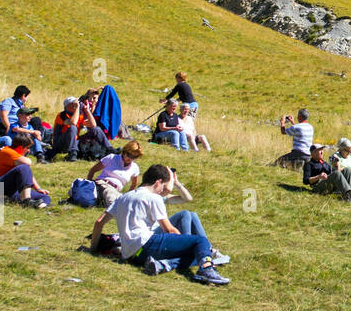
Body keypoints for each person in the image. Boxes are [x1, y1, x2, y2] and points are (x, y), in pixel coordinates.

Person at [89, 165, 230, 285]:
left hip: (132, 255)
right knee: (200, 241)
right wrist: (184, 242)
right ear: (158, 182)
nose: (162, 191)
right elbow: (168, 229)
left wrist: (93, 250)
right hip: (147, 243)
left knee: (199, 251)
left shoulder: (123, 197)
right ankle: (206, 269)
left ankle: (164, 264)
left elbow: (99, 223)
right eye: (163, 186)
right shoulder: (153, 198)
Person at [0, 134, 50, 207]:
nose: (28, 150)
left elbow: (27, 174)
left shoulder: (15, 156)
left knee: (44, 197)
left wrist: (38, 189)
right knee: (24, 167)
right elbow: (27, 163)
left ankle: (38, 206)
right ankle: (26, 201)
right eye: (27, 148)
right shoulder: (7, 152)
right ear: (21, 147)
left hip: (4, 188)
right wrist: (25, 158)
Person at [49, 95, 108, 162]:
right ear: (67, 106)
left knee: (96, 129)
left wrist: (87, 110)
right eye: (73, 104)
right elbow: (73, 122)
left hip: (74, 141)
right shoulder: (62, 115)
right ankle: (72, 153)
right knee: (73, 127)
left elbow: (93, 125)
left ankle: (109, 148)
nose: (76, 105)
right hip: (60, 144)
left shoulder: (79, 115)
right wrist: (77, 108)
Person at [88, 141, 143, 209]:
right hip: (102, 183)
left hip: (114, 190)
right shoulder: (111, 158)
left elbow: (134, 184)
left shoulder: (135, 168)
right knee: (115, 205)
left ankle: (99, 201)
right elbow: (93, 170)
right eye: (129, 155)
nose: (130, 159)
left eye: (134, 157)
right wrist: (89, 183)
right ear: (124, 152)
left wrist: (128, 196)